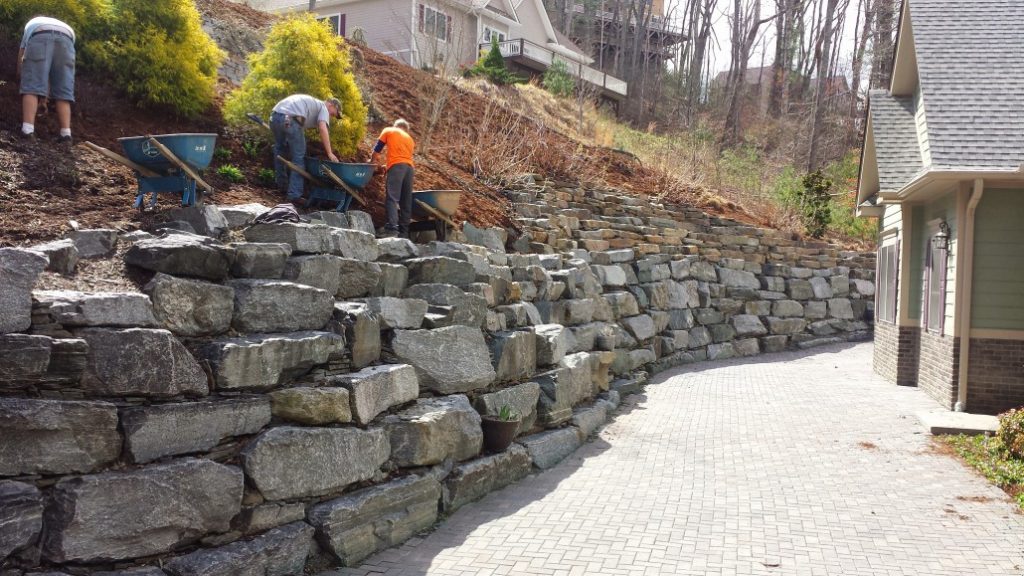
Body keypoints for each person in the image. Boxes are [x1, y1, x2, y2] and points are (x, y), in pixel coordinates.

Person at [270, 94, 342, 205]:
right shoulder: (323, 107)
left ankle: (281, 186)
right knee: (299, 157)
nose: (331, 116)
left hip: (275, 117)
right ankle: (294, 195)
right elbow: (323, 128)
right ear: (331, 104)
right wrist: (329, 153)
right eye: (333, 113)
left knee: (280, 150)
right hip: (290, 119)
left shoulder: (312, 103)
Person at [18, 16, 76, 143]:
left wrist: (21, 77)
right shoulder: (61, 24)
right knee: (62, 88)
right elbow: (49, 74)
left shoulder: (31, 25)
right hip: (68, 37)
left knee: (31, 85)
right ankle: (66, 135)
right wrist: (44, 98)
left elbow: (22, 54)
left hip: (39, 33)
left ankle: (27, 130)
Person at [370, 119, 415, 238]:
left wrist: (371, 163)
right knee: (406, 201)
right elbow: (402, 157)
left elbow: (377, 149)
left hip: (397, 167)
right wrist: (388, 165)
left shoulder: (389, 130)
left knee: (392, 198)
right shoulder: (409, 139)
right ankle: (404, 233)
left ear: (396, 126)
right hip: (409, 169)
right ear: (405, 129)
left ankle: (392, 228)